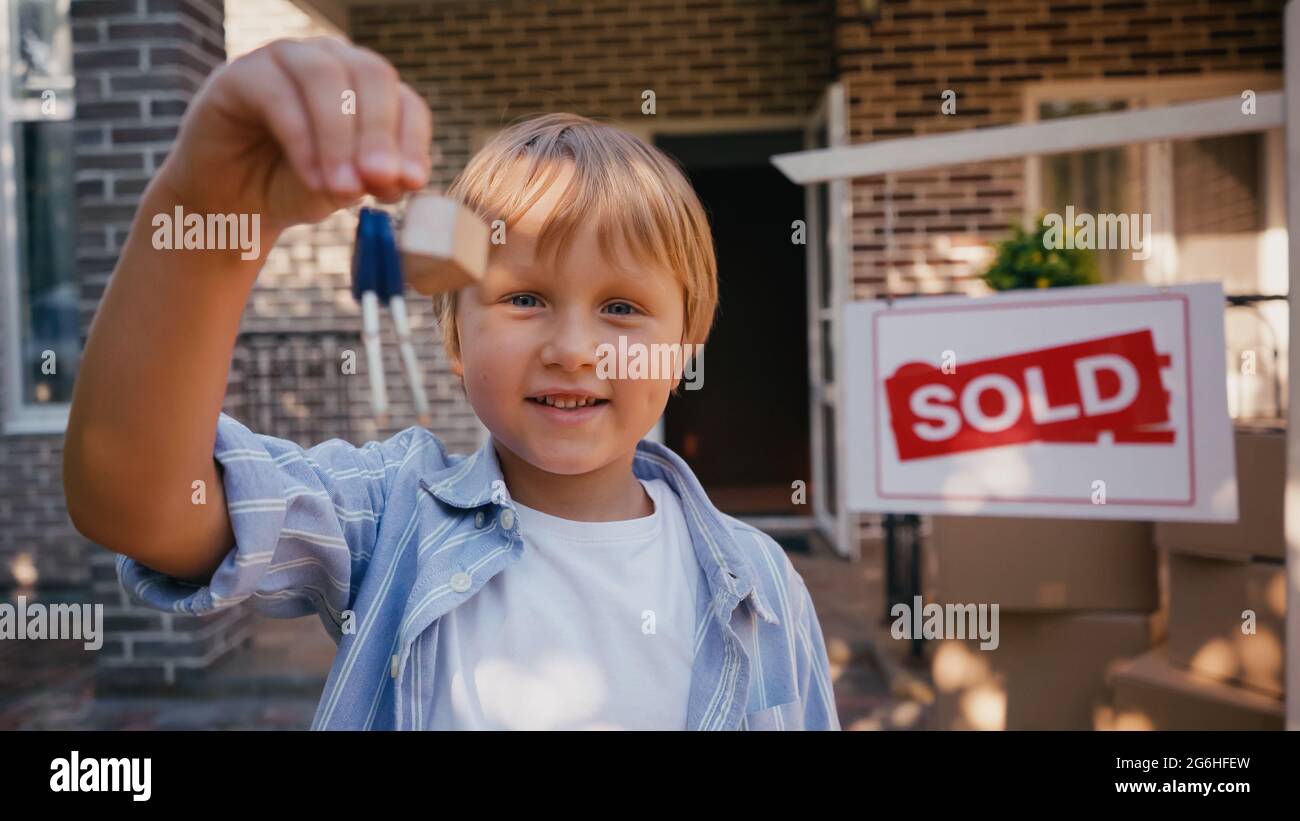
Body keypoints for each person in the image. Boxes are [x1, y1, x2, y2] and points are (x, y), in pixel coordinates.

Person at [63, 37, 839, 731]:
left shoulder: (761, 585)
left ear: (684, 348)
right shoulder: (389, 516)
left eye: (622, 307)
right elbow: (133, 502)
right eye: (525, 297)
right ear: (455, 337)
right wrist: (209, 207)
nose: (572, 349)